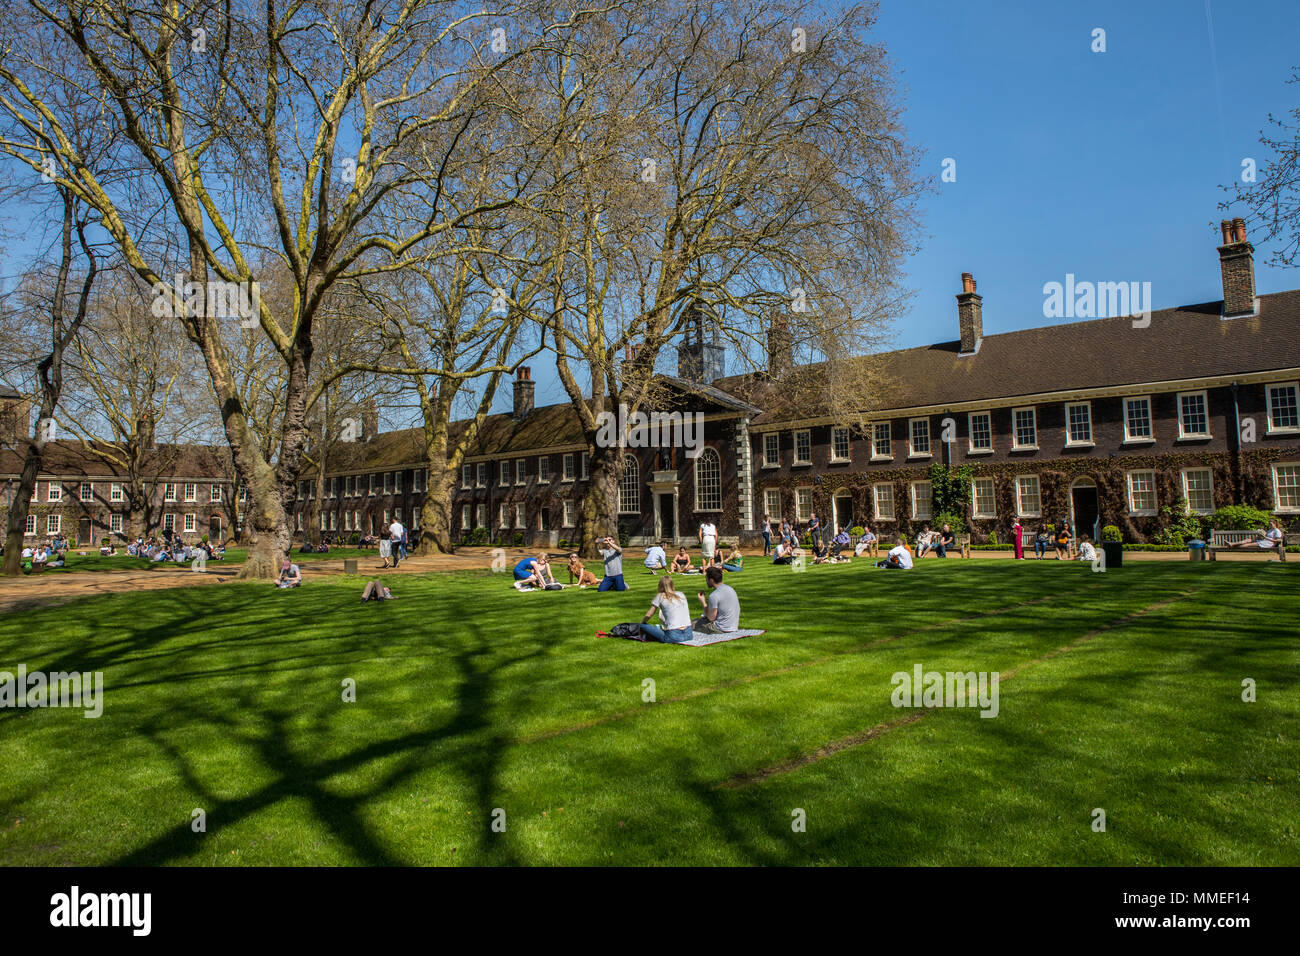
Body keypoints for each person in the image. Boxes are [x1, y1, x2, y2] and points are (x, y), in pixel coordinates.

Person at [638, 576, 694, 643]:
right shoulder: (681, 594)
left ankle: (646, 627)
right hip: (689, 634)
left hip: (673, 635)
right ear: (672, 584)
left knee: (643, 626)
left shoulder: (660, 596)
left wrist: (642, 623)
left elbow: (650, 614)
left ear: (660, 586)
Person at [693, 566, 739, 633]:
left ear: (711, 580)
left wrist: (703, 602)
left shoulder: (714, 595)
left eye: (706, 579)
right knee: (698, 621)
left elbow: (711, 618)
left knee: (690, 625)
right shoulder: (730, 589)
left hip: (720, 628)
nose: (706, 581)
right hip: (733, 626)